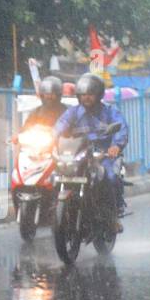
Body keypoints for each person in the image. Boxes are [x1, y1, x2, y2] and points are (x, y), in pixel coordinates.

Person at [53, 73, 129, 223]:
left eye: (90, 94)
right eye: (83, 95)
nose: (86, 98)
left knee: (110, 177)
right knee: (54, 177)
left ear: (99, 95)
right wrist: (52, 137)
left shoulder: (110, 111)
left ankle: (114, 215)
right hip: (80, 153)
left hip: (104, 154)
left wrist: (116, 145)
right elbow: (60, 125)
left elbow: (122, 128)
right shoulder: (73, 112)